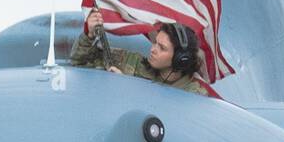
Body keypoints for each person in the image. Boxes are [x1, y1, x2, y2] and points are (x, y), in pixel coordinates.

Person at [70, 9, 208, 96]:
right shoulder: (133, 63)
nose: (153, 49)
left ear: (180, 59)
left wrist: (128, 87)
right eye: (155, 43)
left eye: (162, 48)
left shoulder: (193, 95)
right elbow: (80, 62)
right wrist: (89, 34)